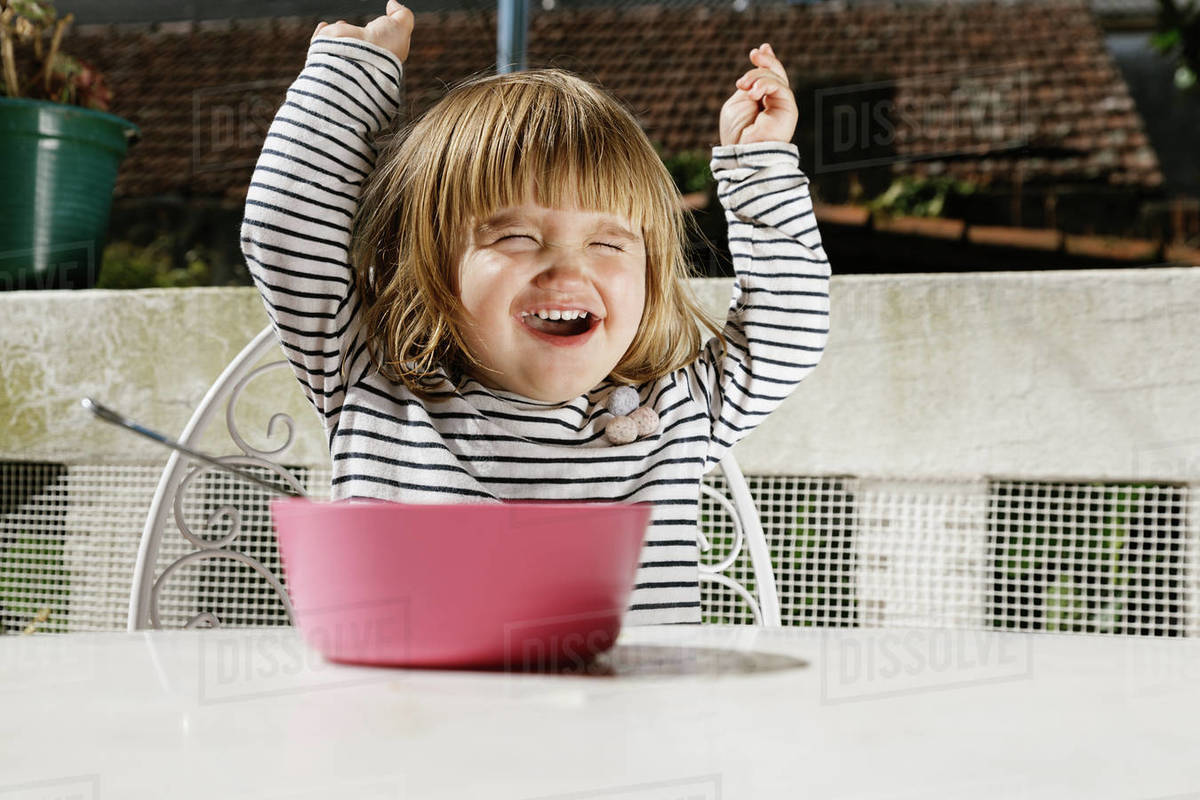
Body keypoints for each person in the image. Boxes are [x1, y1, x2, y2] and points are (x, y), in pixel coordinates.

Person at [240, 1, 831, 626]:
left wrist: (760, 168)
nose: (569, 271)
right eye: (515, 236)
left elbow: (785, 332)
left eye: (607, 244)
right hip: (412, 722)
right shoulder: (372, 384)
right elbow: (285, 234)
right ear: (433, 262)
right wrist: (349, 78)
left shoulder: (677, 412)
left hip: (629, 723)